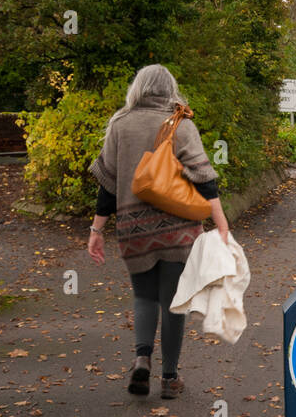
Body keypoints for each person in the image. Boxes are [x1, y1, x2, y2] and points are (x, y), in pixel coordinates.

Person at [86, 65, 230, 398]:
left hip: (133, 229)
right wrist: (221, 225)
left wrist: (96, 230)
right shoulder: (182, 124)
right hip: (178, 231)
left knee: (144, 296)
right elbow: (205, 178)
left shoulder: (119, 125)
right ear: (170, 89)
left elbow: (108, 185)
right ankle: (169, 378)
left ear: (138, 88)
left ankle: (141, 360)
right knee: (173, 303)